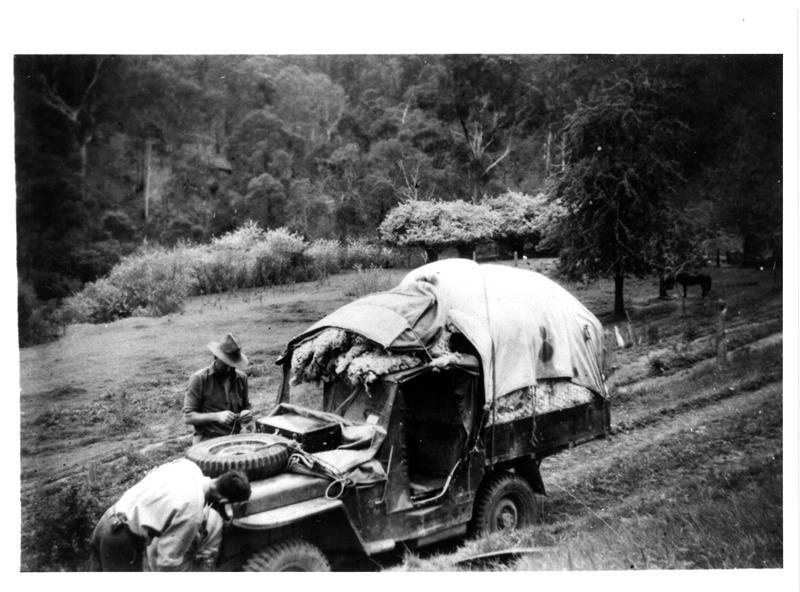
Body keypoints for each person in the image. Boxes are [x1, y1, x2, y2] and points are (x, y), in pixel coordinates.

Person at [89, 458, 251, 571]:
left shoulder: (188, 467)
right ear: (223, 501)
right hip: (122, 541)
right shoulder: (192, 510)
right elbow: (167, 565)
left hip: (108, 519)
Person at [184, 333, 252, 444]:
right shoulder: (199, 379)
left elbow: (246, 406)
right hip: (206, 443)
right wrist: (216, 416)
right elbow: (188, 417)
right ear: (216, 357)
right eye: (226, 363)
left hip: (235, 440)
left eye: (233, 364)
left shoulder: (241, 378)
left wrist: (246, 413)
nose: (230, 368)